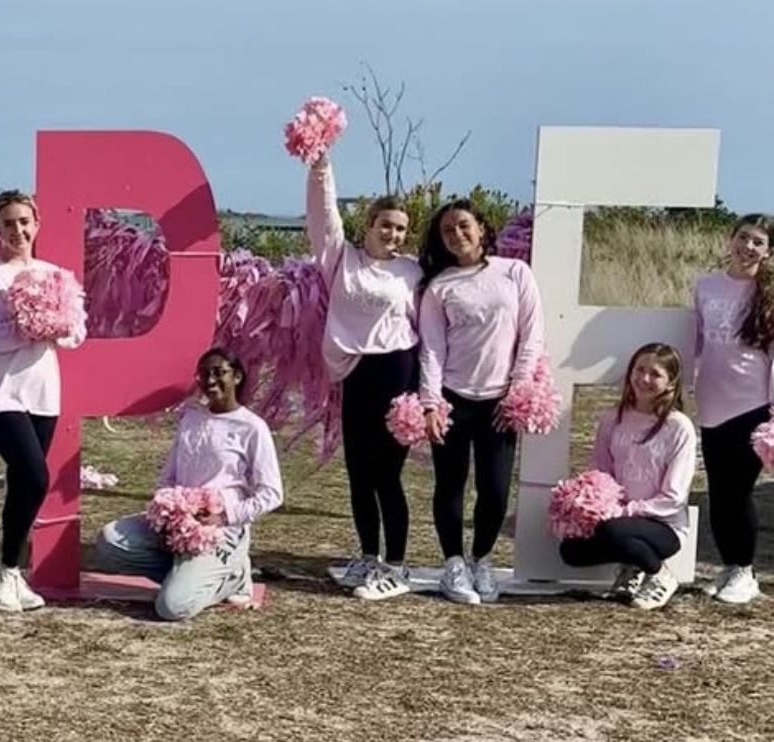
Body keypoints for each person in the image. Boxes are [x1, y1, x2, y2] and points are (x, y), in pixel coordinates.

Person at [0, 189, 88, 612]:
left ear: (37, 224)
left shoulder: (55, 273)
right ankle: (8, 568)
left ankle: (8, 568)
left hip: (43, 393)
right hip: (0, 393)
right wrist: (23, 328)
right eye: (8, 223)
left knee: (23, 484)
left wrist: (57, 326)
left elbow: (77, 331)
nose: (17, 230)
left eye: (24, 222)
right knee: (34, 476)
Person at [417, 199, 546, 605]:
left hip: (500, 401)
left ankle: (482, 558)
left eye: (463, 226)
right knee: (450, 486)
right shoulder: (439, 287)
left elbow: (532, 334)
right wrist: (430, 403)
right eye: (447, 230)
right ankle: (453, 563)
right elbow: (432, 350)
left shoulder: (514, 272)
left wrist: (519, 388)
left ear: (482, 228)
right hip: (455, 399)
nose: (457, 235)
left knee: (494, 490)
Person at [305, 153, 421, 601]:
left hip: (396, 370)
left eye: (400, 229)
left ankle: (395, 565)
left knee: (387, 474)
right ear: (369, 225)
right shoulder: (342, 259)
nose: (392, 235)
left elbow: (427, 328)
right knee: (358, 472)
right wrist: (321, 165)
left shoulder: (411, 271)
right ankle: (369, 556)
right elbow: (322, 214)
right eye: (385, 225)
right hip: (354, 373)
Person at [94, 347, 283, 620]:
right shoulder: (191, 418)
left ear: (237, 377)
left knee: (171, 608)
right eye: (204, 374)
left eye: (220, 373)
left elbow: (272, 493)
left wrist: (224, 516)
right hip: (178, 524)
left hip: (220, 531)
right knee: (110, 540)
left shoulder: (252, 427)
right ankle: (188, 575)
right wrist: (164, 515)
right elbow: (169, 477)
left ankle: (231, 575)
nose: (210, 381)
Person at [557, 343, 696, 610]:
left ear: (670, 382)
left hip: (662, 524)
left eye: (655, 374)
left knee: (612, 530)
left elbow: (674, 497)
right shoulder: (613, 418)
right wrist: (593, 505)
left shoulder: (679, 427)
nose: (644, 379)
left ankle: (659, 575)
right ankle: (633, 566)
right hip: (618, 517)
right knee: (570, 550)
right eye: (639, 370)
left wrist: (626, 511)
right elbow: (601, 470)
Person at [690, 214, 774, 604]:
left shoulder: (768, 292)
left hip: (752, 405)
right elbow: (696, 342)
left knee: (739, 492)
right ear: (731, 240)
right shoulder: (706, 286)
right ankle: (728, 566)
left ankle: (745, 571)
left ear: (769, 251)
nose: (749, 247)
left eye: (758, 242)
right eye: (744, 238)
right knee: (719, 492)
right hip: (711, 404)